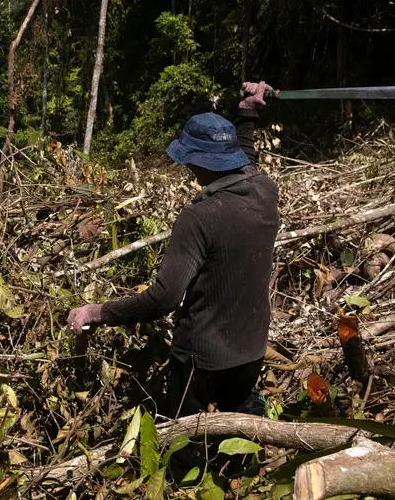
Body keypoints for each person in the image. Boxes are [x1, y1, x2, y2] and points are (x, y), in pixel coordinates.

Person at [66, 82, 280, 469]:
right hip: (251, 345)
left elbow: (164, 298)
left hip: (202, 356)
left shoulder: (199, 218)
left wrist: (98, 312)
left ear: (199, 162)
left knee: (184, 439)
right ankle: (242, 476)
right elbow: (246, 159)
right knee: (240, 428)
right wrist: (248, 113)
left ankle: (186, 479)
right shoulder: (266, 190)